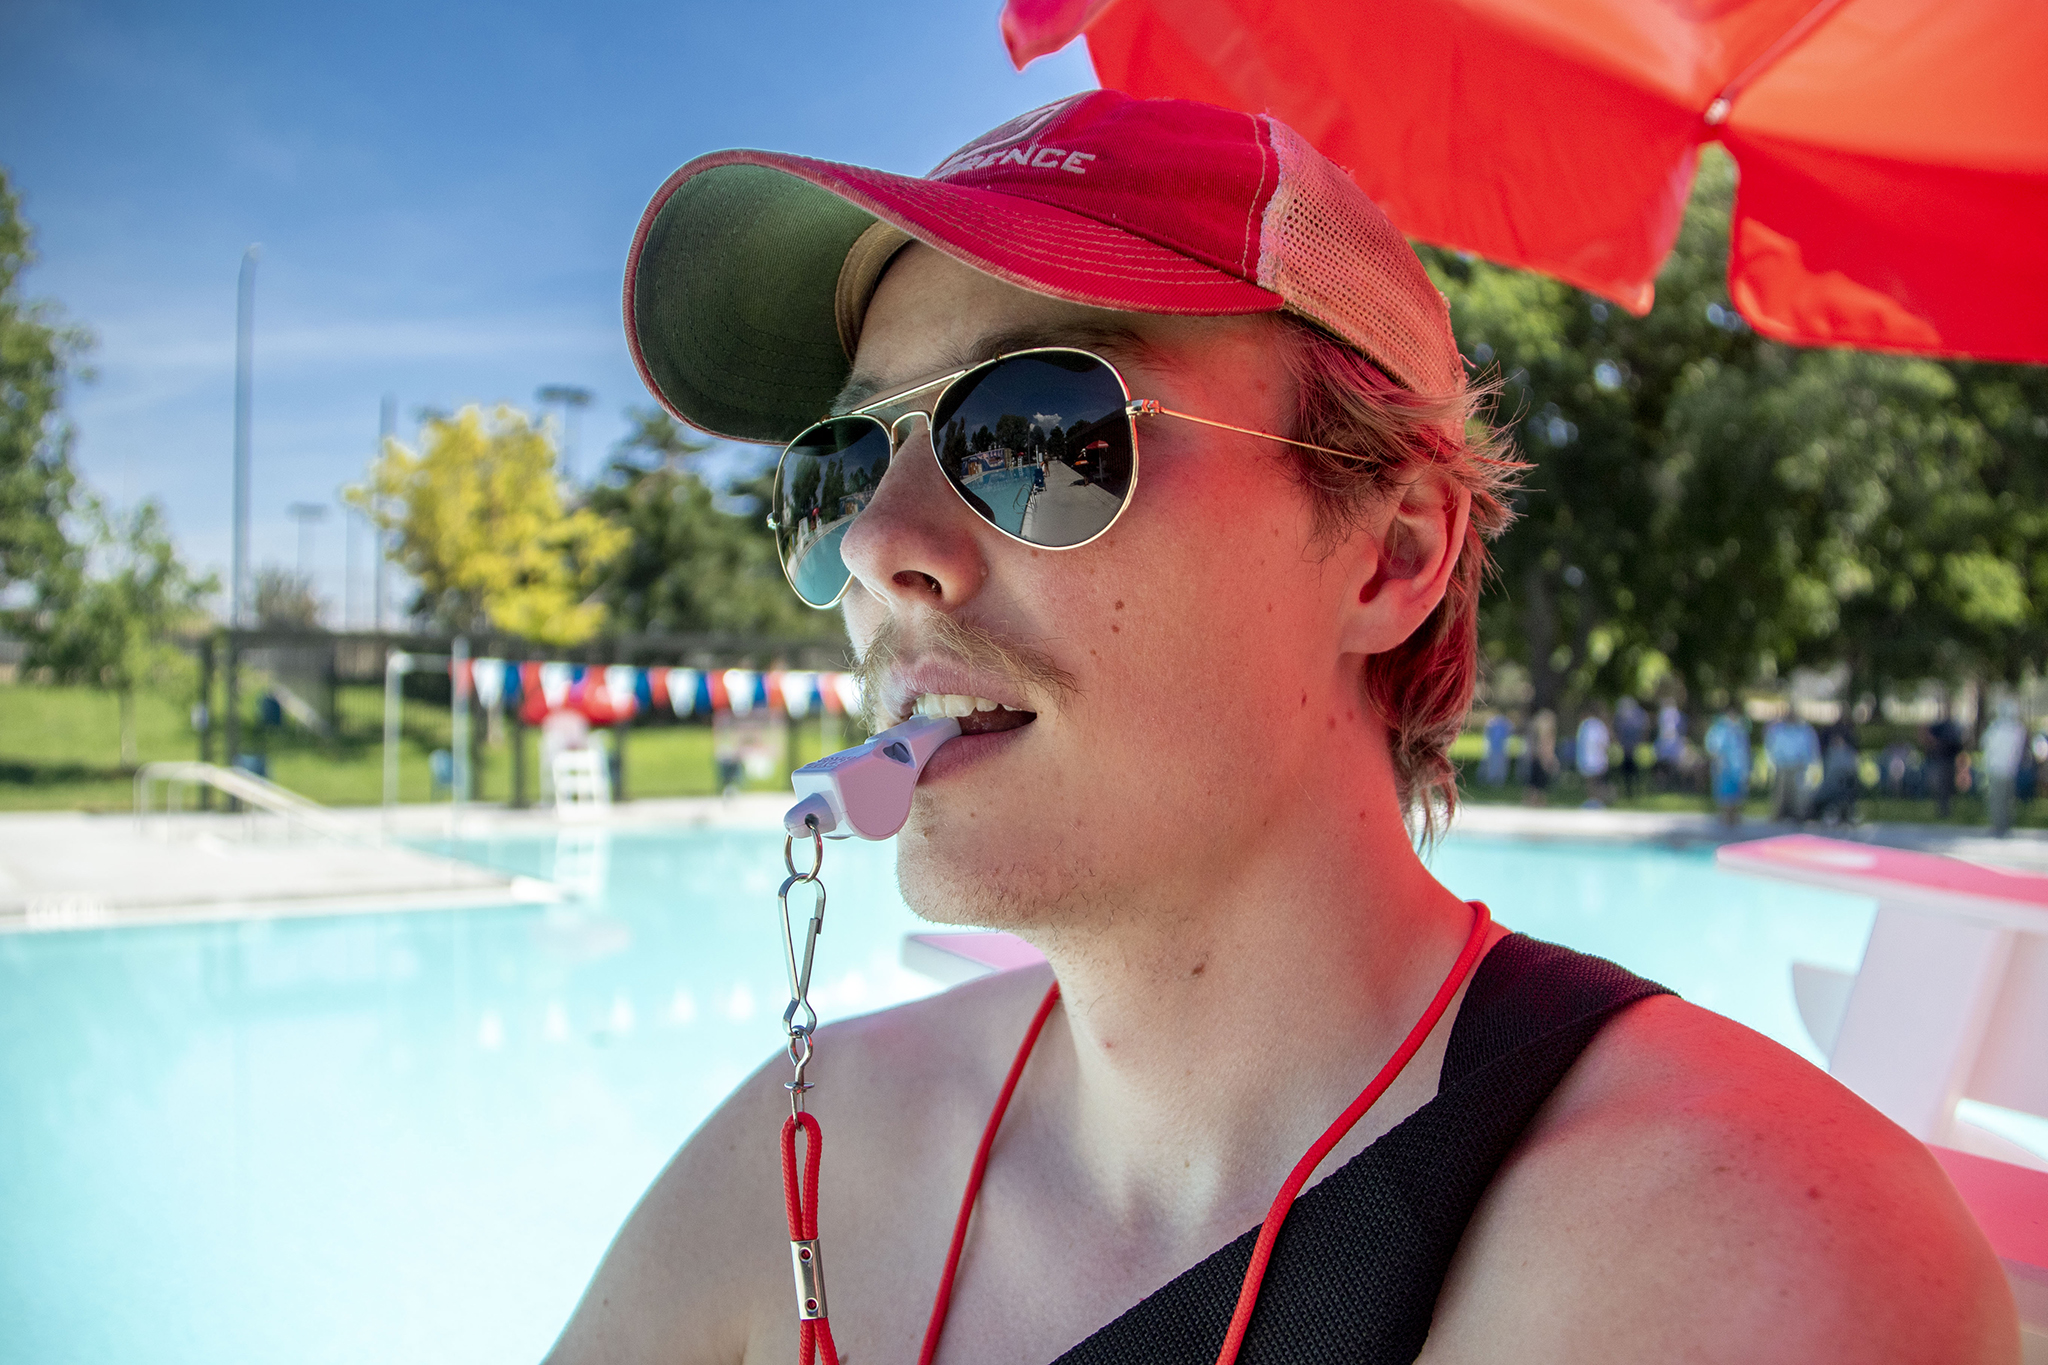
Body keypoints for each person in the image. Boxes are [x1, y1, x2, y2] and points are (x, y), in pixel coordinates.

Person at [551, 93, 2014, 1364]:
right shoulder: (804, 1159)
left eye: (1039, 431)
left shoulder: (1733, 1252)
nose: (880, 544)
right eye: (843, 462)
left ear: (1390, 555)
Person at [1982, 700, 2028, 837]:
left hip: (1996, 767)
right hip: (2010, 769)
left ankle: (1998, 826)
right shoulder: (2018, 729)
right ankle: (2006, 825)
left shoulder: (1996, 727)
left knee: (1997, 799)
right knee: (2008, 799)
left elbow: (1985, 743)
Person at [1764, 710, 1818, 823]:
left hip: (1799, 765)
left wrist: (1810, 764)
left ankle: (1799, 815)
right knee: (1781, 793)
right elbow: (1771, 746)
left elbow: (1811, 748)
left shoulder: (1805, 730)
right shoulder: (1778, 731)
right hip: (1782, 765)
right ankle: (1779, 815)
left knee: (1799, 793)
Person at [1704, 707, 1752, 827]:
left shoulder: (1740, 731)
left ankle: (1735, 817)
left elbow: (1745, 750)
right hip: (1724, 766)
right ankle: (1725, 817)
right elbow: (1713, 748)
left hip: (1738, 767)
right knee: (1724, 793)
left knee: (1737, 792)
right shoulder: (1719, 730)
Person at [1574, 708, 1611, 807]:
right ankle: (1592, 801)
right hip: (1589, 759)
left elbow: (1603, 743)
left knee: (1596, 783)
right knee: (1591, 782)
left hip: (1596, 759)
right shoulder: (1587, 725)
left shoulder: (1596, 725)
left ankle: (1599, 801)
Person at [1613, 695, 1647, 800]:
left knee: (1633, 769)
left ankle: (1635, 791)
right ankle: (1627, 791)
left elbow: (1643, 730)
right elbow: (1617, 731)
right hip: (1625, 748)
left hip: (1634, 748)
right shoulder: (1621, 716)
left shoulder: (1637, 716)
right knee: (1626, 769)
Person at [1653, 698, 1686, 790]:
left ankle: (1671, 785)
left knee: (1671, 766)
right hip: (1666, 744)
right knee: (1665, 766)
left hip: (1672, 744)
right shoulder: (1666, 715)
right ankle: (1664, 785)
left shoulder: (1676, 715)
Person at [1479, 709, 1513, 787]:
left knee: (1499, 765)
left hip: (1500, 748)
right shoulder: (1493, 723)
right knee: (1493, 765)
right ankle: (1492, 780)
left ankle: (1498, 781)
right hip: (1494, 747)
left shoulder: (1503, 723)